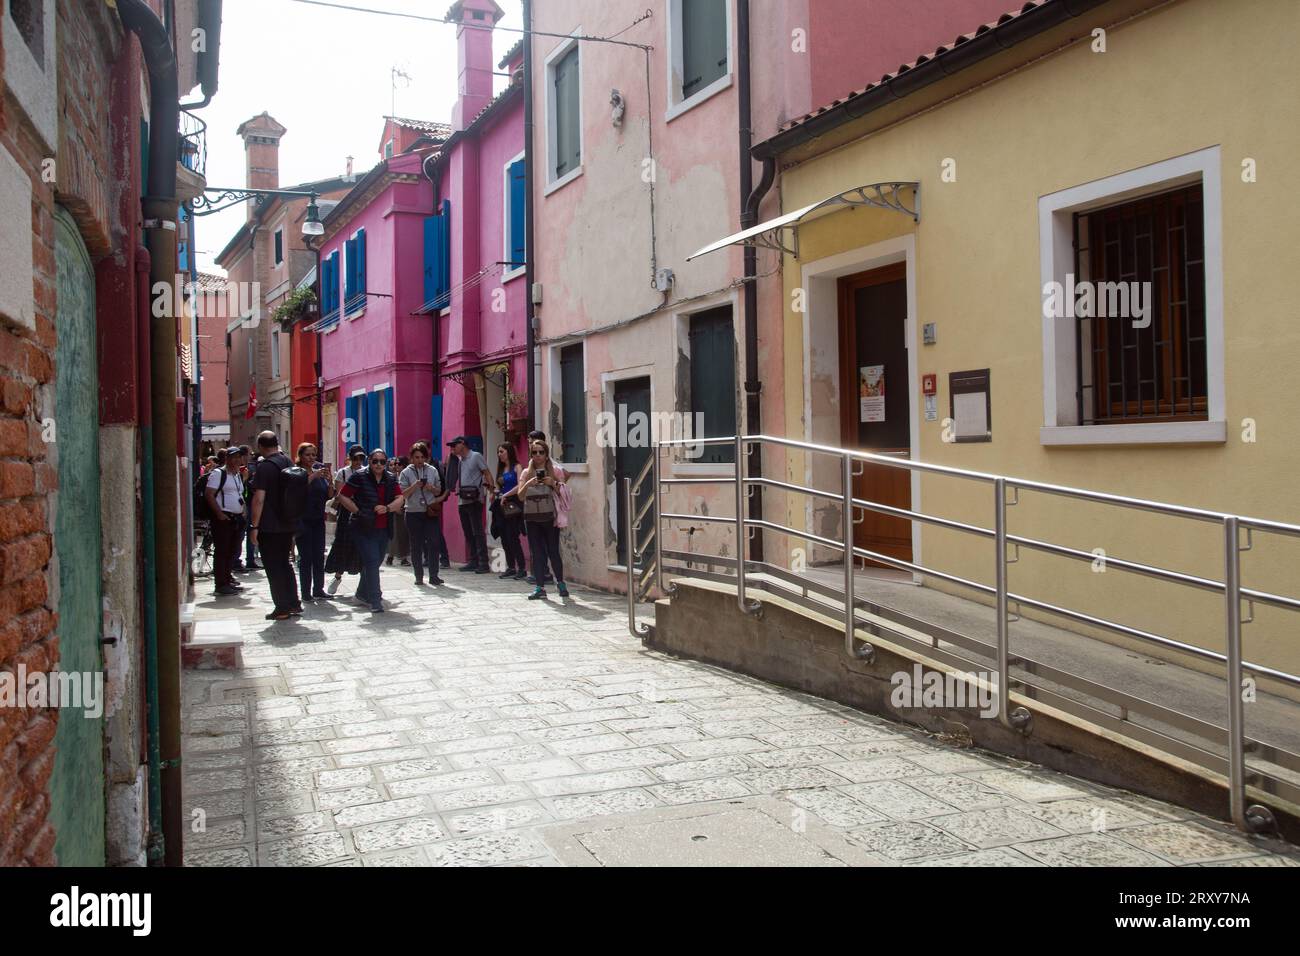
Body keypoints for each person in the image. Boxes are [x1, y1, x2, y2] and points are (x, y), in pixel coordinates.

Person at [335, 448, 401, 612]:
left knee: (375, 563)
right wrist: (357, 511)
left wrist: (387, 508)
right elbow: (342, 495)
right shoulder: (359, 476)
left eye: (382, 462)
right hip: (363, 528)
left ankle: (361, 594)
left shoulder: (391, 479)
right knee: (371, 562)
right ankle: (375, 599)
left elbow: (400, 498)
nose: (379, 464)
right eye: (375, 461)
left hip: (384, 528)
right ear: (370, 462)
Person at [248, 431, 301, 621]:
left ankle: (282, 607)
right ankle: (294, 602)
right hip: (288, 522)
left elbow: (259, 499)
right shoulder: (288, 462)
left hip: (270, 525)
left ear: (260, 446)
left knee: (273, 566)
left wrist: (254, 526)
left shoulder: (265, 467)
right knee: (285, 564)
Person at [515, 439, 571, 600]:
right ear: (531, 455)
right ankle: (540, 587)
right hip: (532, 518)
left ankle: (560, 583)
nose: (538, 455)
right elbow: (520, 495)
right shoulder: (526, 472)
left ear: (547, 455)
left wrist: (553, 483)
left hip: (550, 517)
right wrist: (529, 483)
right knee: (537, 554)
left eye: (541, 452)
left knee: (553, 551)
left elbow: (565, 495)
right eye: (534, 452)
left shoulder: (555, 471)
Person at [398, 442, 446, 586]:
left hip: (429, 512)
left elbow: (439, 490)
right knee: (416, 545)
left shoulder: (432, 470)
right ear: (411, 457)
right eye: (416, 457)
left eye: (422, 457)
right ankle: (418, 576)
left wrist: (431, 488)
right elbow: (402, 494)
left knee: (434, 543)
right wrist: (415, 486)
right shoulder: (406, 472)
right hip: (413, 513)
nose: (419, 460)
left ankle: (434, 575)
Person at [447, 437, 495, 573]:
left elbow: (486, 473)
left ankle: (483, 562)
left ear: (462, 443)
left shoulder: (475, 456)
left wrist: (491, 490)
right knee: (468, 532)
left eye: (454, 445)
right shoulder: (459, 460)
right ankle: (473, 560)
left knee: (477, 531)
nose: (452, 448)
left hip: (474, 499)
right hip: (462, 499)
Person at [325, 447, 366, 595]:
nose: (358, 462)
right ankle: (337, 577)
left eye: (361, 458)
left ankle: (364, 582)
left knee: (362, 547)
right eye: (355, 458)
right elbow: (341, 494)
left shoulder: (367, 472)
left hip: (362, 511)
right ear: (350, 458)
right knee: (343, 545)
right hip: (347, 512)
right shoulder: (343, 473)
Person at [205, 447, 246, 596]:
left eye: (239, 457)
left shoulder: (237, 474)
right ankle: (220, 584)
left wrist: (243, 512)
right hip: (224, 517)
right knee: (222, 551)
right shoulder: (218, 474)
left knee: (232, 550)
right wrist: (219, 513)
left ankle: (228, 579)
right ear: (227, 458)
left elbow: (239, 493)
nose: (236, 460)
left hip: (236, 517)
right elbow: (209, 494)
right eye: (233, 457)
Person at [295, 443, 330, 602]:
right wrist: (314, 476)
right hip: (303, 519)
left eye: (313, 455)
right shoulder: (298, 472)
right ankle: (305, 592)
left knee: (318, 555)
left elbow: (329, 496)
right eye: (308, 455)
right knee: (306, 556)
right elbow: (297, 489)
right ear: (301, 456)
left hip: (318, 519)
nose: (311, 458)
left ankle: (318, 589)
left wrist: (328, 481)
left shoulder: (319, 472)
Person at [489, 442, 527, 580]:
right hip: (501, 505)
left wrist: (506, 494)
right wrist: (494, 493)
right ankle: (511, 566)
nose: (499, 454)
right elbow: (499, 487)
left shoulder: (517, 467)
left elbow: (520, 486)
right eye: (498, 452)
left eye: (502, 451)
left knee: (513, 537)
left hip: (513, 505)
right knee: (504, 537)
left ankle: (521, 567)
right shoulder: (501, 469)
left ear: (509, 452)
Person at [238, 444, 261, 571]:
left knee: (251, 530)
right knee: (240, 533)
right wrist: (245, 479)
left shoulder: (251, 468)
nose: (250, 457)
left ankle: (250, 560)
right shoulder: (236, 470)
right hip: (241, 505)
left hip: (250, 503)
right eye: (249, 454)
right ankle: (236, 560)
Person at [386, 455, 411, 567]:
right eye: (394, 464)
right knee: (394, 534)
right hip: (394, 508)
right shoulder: (391, 477)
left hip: (405, 507)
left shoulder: (407, 476)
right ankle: (391, 556)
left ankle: (402, 557)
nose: (396, 466)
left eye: (398, 464)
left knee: (403, 534)